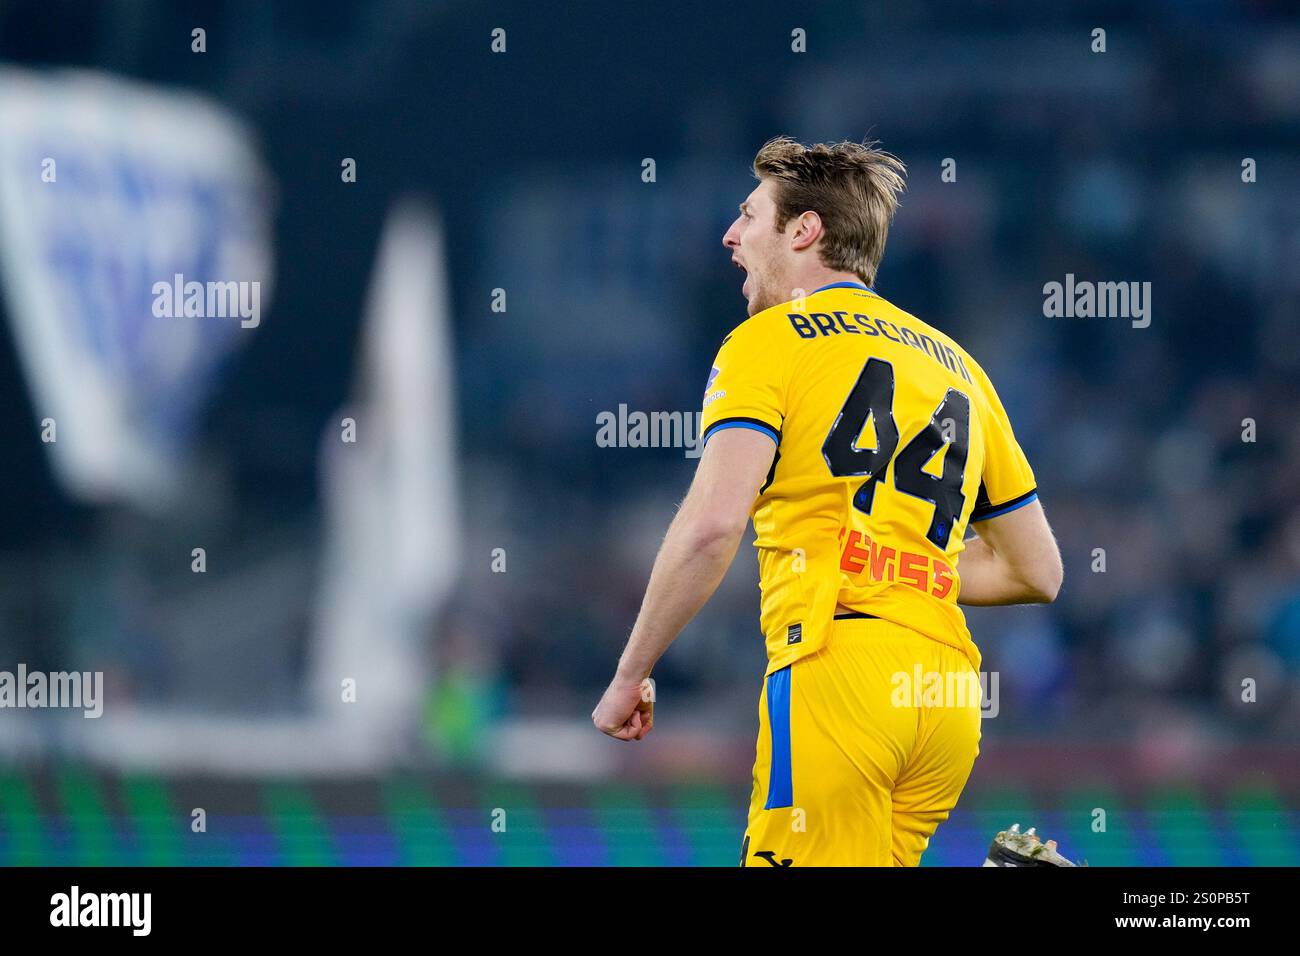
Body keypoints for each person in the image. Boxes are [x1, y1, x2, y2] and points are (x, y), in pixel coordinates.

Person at [592, 137, 1063, 866]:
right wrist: (910, 567)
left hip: (837, 667)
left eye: (749, 216)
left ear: (804, 231)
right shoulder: (961, 366)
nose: (731, 235)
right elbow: (1039, 571)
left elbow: (713, 526)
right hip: (946, 692)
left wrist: (629, 675)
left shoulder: (768, 341)